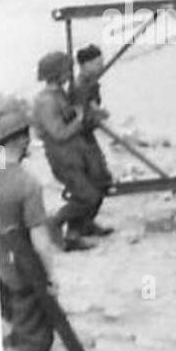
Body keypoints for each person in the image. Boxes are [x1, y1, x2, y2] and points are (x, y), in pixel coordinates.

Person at [0, 102, 60, 351]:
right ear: (21, 140)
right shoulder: (26, 183)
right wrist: (50, 276)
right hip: (22, 271)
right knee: (36, 339)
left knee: (12, 326)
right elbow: (40, 240)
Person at [31, 51, 97, 251]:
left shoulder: (57, 94)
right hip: (62, 156)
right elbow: (58, 133)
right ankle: (55, 223)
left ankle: (74, 234)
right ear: (57, 73)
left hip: (73, 154)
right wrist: (78, 119)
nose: (70, 73)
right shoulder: (46, 101)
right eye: (66, 70)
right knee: (87, 196)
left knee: (86, 191)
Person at [70, 45, 114, 236]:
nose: (101, 65)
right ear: (84, 65)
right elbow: (80, 117)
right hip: (78, 139)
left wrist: (97, 112)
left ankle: (87, 223)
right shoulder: (79, 87)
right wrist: (97, 116)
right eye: (96, 63)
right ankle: (74, 228)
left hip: (87, 137)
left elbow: (92, 106)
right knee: (92, 183)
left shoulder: (91, 83)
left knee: (101, 180)